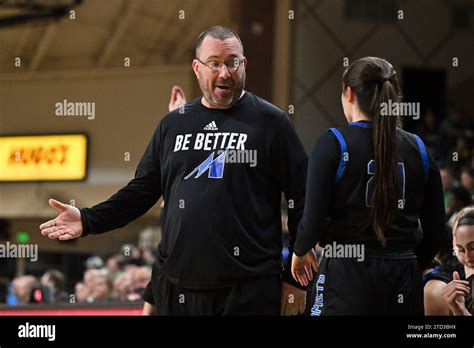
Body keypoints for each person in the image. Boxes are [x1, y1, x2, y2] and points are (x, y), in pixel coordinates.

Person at [39, 26, 308, 315]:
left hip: (248, 292)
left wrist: (296, 279)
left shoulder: (271, 123)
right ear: (197, 68)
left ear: (244, 64)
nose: (225, 73)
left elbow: (304, 197)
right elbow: (140, 193)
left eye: (232, 62)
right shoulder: (172, 125)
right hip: (177, 291)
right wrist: (89, 218)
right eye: (214, 63)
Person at [291, 57, 446, 315]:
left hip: (348, 273)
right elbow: (436, 229)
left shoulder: (333, 142)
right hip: (403, 275)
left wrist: (300, 248)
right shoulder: (419, 148)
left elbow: (313, 219)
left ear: (348, 93)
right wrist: (410, 261)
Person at [424, 206, 473, 315]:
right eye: (460, 248)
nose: (468, 257)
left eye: (473, 247)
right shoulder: (438, 287)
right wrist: (460, 311)